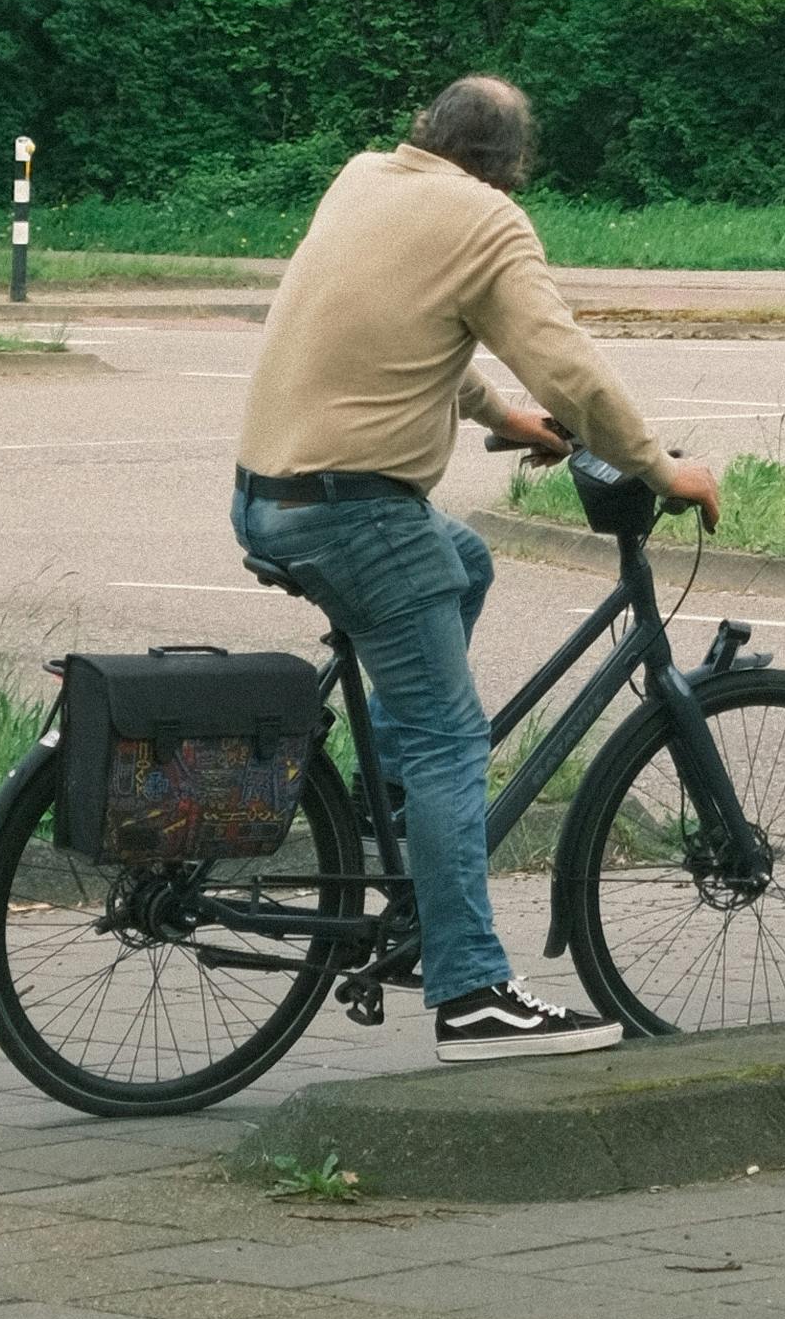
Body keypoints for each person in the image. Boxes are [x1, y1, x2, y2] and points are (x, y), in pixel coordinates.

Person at [233, 73, 720, 1051]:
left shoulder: (367, 178)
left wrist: (504, 416)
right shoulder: (488, 222)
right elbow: (568, 365)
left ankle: (406, 828)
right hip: (353, 513)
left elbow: (406, 338)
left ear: (431, 133)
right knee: (453, 739)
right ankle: (472, 992)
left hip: (265, 497)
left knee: (464, 562)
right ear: (508, 168)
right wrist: (657, 467)